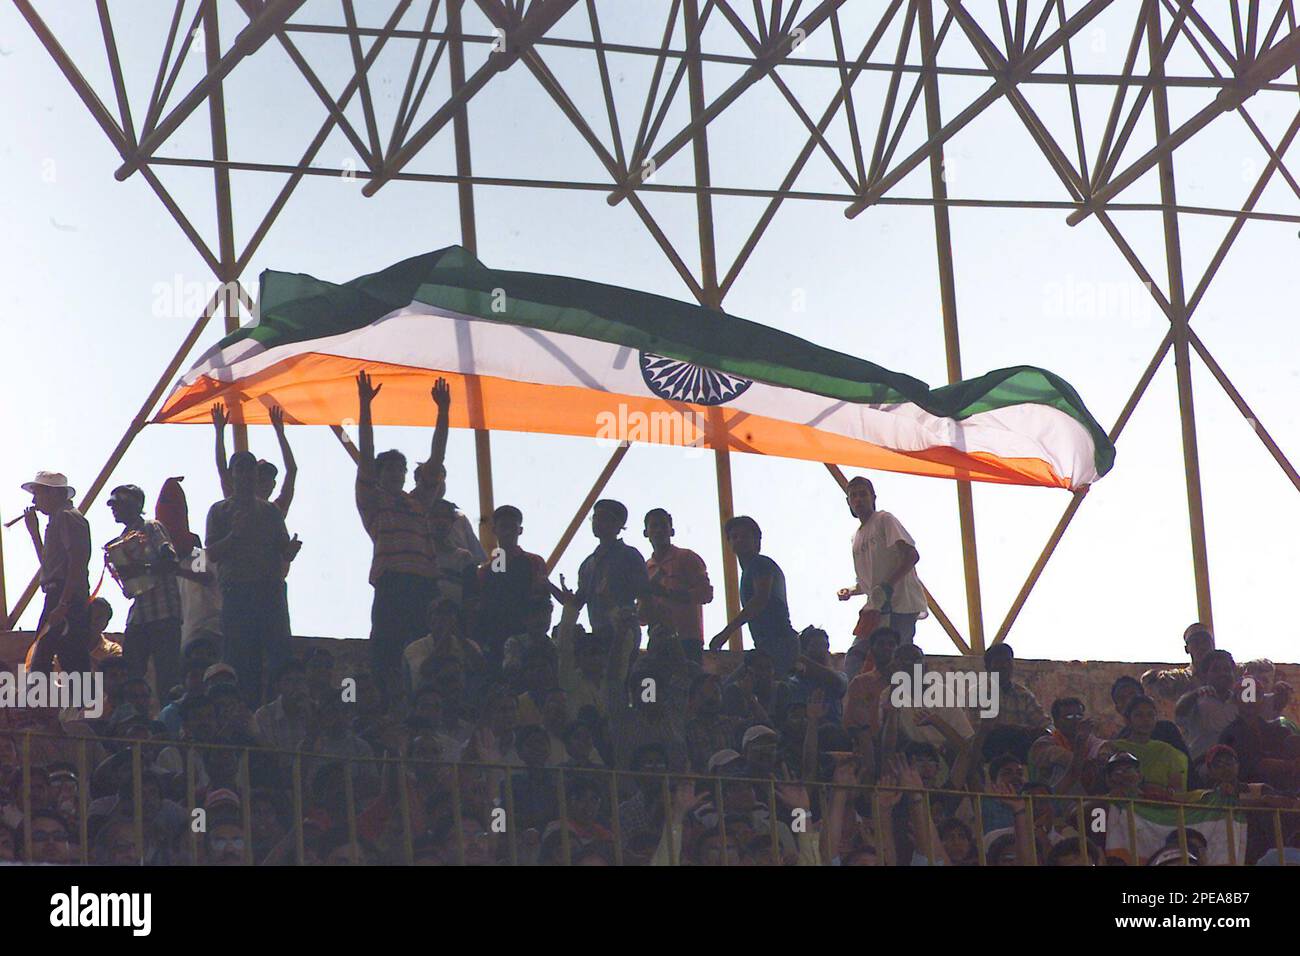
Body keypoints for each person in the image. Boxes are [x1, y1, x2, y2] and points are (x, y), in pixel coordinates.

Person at [354, 372, 442, 691]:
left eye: (400, 469)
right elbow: (366, 453)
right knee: (387, 648)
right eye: (389, 468)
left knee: (421, 649)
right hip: (392, 580)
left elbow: (436, 462)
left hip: (422, 582)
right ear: (379, 475)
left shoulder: (417, 502)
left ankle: (418, 700)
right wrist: (365, 405)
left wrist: (442, 412)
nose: (395, 473)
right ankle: (384, 699)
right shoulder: (372, 500)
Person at [205, 449, 296, 705]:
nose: (246, 475)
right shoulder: (220, 510)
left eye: (250, 470)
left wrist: (291, 551)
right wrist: (234, 534)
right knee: (240, 659)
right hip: (237, 592)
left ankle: (282, 710)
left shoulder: (271, 512)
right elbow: (211, 553)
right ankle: (245, 711)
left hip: (269, 591)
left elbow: (283, 548)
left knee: (280, 656)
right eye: (240, 469)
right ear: (232, 475)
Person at [104, 484, 185, 699]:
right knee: (131, 674)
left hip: (163, 611)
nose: (114, 509)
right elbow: (130, 589)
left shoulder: (151, 527)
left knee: (167, 676)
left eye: (118, 504)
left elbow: (170, 560)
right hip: (141, 613)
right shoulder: (121, 540)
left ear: (135, 505)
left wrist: (141, 569)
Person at [837, 477, 926, 658]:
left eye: (863, 494)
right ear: (848, 502)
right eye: (853, 496)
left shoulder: (884, 520)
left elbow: (911, 556)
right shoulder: (856, 538)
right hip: (877, 608)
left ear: (873, 497)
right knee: (856, 657)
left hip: (902, 604)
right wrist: (851, 591)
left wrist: (888, 586)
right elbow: (867, 583)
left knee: (899, 657)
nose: (858, 500)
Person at [708, 516, 798, 678]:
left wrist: (726, 633)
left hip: (779, 643)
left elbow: (759, 600)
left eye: (744, 536)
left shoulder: (760, 564)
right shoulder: (749, 570)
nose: (739, 540)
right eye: (734, 537)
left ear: (757, 541)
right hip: (767, 645)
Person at [21, 470, 93, 674]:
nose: (35, 500)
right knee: (67, 656)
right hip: (59, 593)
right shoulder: (57, 519)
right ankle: (78, 703)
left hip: (65, 596)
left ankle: (73, 703)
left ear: (53, 494)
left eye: (38, 494)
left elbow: (78, 561)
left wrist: (63, 603)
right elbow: (50, 565)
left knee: (47, 656)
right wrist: (34, 534)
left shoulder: (67, 517)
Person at [640, 508, 713, 661]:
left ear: (671, 531)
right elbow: (642, 617)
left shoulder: (687, 558)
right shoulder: (645, 569)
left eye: (663, 525)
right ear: (646, 533)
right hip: (658, 640)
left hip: (687, 640)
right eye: (654, 526)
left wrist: (666, 593)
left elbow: (706, 594)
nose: (659, 530)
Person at [569, 499, 650, 634]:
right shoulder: (588, 564)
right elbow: (577, 602)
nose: (596, 522)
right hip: (598, 634)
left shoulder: (629, 555)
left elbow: (645, 596)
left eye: (603, 518)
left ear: (618, 525)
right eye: (595, 517)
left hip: (624, 632)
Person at [212, 403, 298, 518]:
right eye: (262, 479)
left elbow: (292, 470)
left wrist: (280, 433)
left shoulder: (275, 511)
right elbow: (222, 468)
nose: (266, 484)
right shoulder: (235, 503)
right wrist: (219, 431)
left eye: (269, 479)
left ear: (274, 484)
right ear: (252, 479)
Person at [1142, 623, 1215, 702]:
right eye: (1196, 643)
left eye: (1205, 641)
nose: (1202, 647)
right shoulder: (1180, 677)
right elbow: (1147, 679)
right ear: (1187, 649)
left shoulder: (1226, 674)